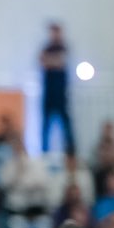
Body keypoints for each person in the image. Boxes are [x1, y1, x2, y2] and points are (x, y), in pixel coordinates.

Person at [38, 22, 75, 159]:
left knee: (66, 125)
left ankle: (71, 152)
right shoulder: (47, 48)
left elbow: (59, 62)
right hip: (49, 93)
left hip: (61, 94)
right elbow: (43, 61)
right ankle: (44, 153)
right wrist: (52, 61)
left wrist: (51, 61)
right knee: (46, 125)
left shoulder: (64, 47)